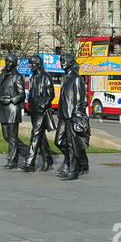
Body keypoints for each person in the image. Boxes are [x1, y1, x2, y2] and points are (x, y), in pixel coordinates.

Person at [55, 53, 90, 181]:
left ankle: (73, 170)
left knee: (71, 144)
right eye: (60, 60)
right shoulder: (66, 77)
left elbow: (80, 99)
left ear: (70, 62)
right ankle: (80, 160)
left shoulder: (76, 78)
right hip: (63, 115)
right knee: (58, 142)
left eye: (64, 60)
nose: (62, 63)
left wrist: (76, 115)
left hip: (72, 116)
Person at [21, 54, 55, 173]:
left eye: (32, 64)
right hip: (34, 111)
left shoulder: (46, 77)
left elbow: (51, 95)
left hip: (42, 111)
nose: (31, 66)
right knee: (41, 138)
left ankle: (29, 163)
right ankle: (48, 159)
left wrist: (42, 105)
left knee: (35, 135)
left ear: (38, 64)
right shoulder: (33, 77)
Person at [0, 54, 26, 170]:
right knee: (6, 136)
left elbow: (22, 94)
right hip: (3, 109)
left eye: (10, 62)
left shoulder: (17, 76)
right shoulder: (2, 74)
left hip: (12, 109)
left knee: (12, 137)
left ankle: (12, 161)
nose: (7, 64)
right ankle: (27, 152)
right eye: (6, 61)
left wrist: (11, 100)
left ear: (14, 63)